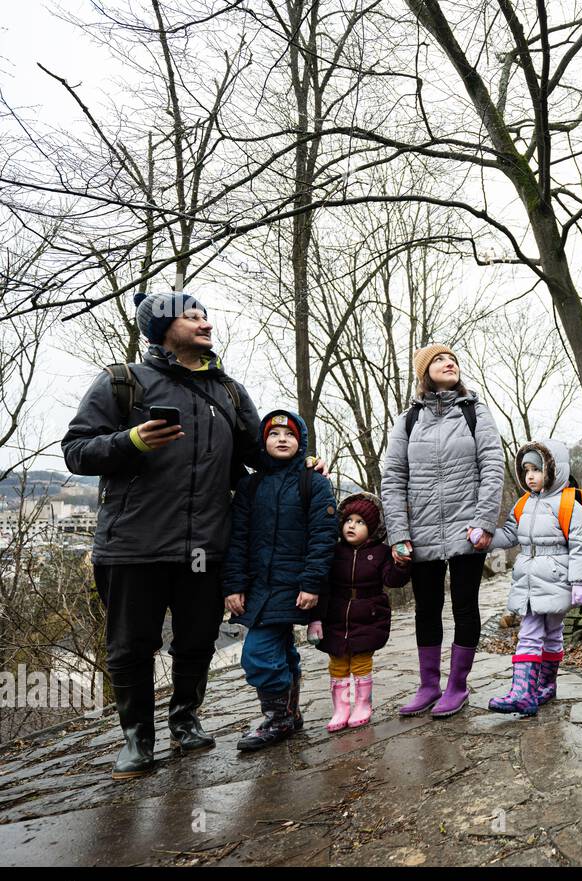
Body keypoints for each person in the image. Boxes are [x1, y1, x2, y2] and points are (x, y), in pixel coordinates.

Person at [62, 292, 326, 780]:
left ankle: (185, 722)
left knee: (197, 640)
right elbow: (76, 451)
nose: (204, 322)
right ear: (162, 328)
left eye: (205, 315)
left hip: (205, 547)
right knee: (130, 646)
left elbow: (259, 455)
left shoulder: (227, 391)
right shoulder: (123, 382)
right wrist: (131, 441)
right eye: (191, 316)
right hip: (132, 545)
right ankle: (137, 740)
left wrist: (301, 464)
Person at [381, 344, 504, 718]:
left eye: (452, 359)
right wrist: (398, 533)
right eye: (438, 359)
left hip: (468, 529)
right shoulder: (407, 421)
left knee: (465, 606)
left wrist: (484, 522)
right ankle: (428, 685)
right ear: (424, 373)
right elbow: (393, 479)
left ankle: (458, 686)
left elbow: (493, 465)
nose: (448, 362)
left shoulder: (474, 412)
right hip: (422, 532)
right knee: (427, 610)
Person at [224, 410, 337, 752]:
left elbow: (323, 536)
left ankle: (279, 718)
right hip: (261, 586)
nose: (282, 439)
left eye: (290, 434)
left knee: (258, 653)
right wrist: (233, 585)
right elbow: (237, 538)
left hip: (296, 583)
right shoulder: (250, 485)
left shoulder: (313, 482)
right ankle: (287, 713)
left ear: (301, 442)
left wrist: (311, 583)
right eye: (274, 434)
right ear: (264, 442)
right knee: (279, 650)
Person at [483, 439, 582, 715]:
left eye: (537, 469)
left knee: (541, 633)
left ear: (554, 469)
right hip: (531, 579)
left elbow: (580, 546)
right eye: (526, 469)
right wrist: (486, 537)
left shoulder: (570, 504)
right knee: (540, 633)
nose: (530, 475)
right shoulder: (522, 505)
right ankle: (535, 689)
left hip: (557, 578)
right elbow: (509, 534)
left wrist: (579, 583)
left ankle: (532, 690)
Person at [308, 492, 411, 732]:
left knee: (362, 660)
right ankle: (341, 708)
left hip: (368, 614)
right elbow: (321, 585)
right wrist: (315, 619)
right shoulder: (333, 552)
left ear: (372, 528)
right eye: (349, 520)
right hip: (335, 614)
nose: (352, 526)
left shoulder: (381, 552)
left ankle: (363, 704)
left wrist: (401, 565)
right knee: (337, 662)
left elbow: (393, 580)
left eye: (360, 522)